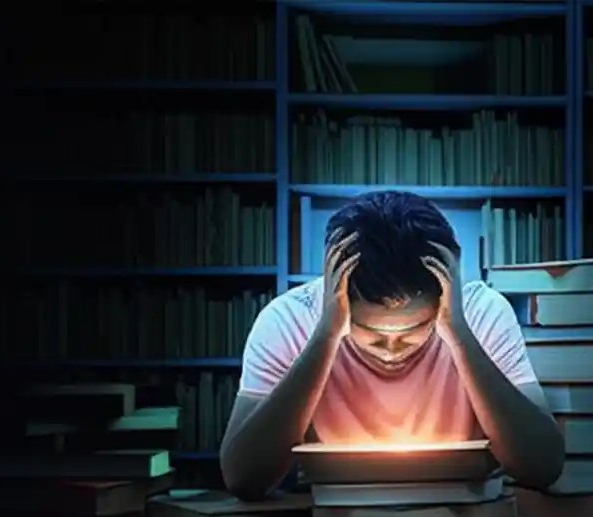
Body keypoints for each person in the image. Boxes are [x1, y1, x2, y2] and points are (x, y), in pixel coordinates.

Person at [219, 190, 565, 499]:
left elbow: (542, 466)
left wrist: (459, 335)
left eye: (414, 330)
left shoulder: (480, 312)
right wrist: (326, 334)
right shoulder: (289, 319)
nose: (391, 349)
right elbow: (243, 478)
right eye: (371, 333)